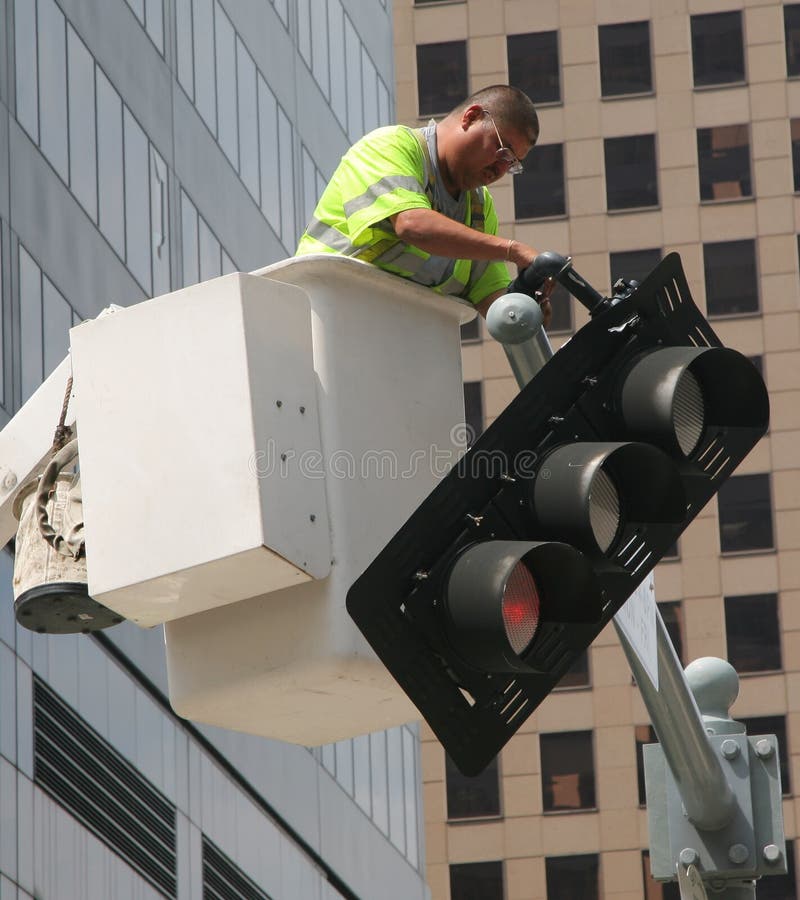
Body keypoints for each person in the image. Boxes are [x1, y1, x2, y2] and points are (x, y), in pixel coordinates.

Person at [295, 84, 553, 323]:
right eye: (502, 151)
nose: (500, 169)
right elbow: (413, 225)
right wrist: (512, 250)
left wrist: (524, 310)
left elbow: (493, 299)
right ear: (471, 117)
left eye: (512, 163)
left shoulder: (479, 208)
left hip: (390, 335)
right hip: (320, 315)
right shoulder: (391, 146)